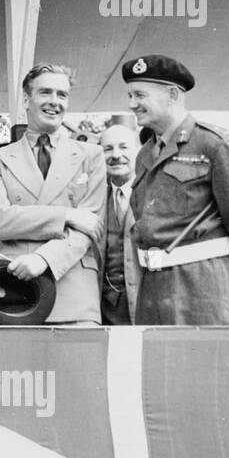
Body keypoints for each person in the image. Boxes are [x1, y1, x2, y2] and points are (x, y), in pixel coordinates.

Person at [125, 55, 229, 325]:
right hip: (152, 290)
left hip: (204, 289)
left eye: (139, 95)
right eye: (130, 95)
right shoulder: (145, 153)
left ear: (172, 94)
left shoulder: (214, 145)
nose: (132, 104)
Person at [0, 64, 106, 324]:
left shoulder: (91, 155)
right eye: (45, 93)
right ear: (26, 99)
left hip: (74, 292)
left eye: (62, 95)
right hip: (15, 291)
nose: (54, 102)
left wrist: (44, 260)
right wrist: (67, 214)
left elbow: (89, 227)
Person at [98, 122, 141, 325]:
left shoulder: (154, 193)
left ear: (138, 151)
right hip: (109, 311)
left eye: (124, 147)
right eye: (108, 149)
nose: (116, 155)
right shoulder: (94, 199)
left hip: (147, 305)